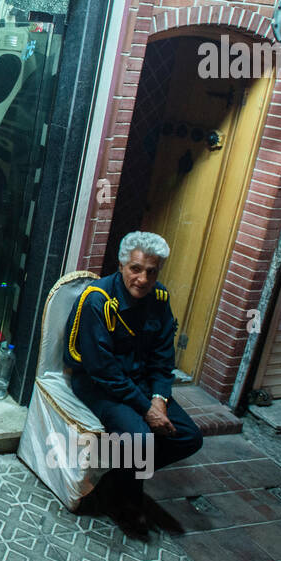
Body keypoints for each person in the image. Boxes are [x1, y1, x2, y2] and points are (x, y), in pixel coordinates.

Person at [63, 230, 204, 536]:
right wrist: (146, 408)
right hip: (99, 385)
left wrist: (159, 399)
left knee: (189, 437)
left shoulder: (159, 299)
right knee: (141, 438)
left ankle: (116, 478)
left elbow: (163, 360)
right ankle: (126, 500)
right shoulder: (97, 301)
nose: (142, 279)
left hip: (140, 385)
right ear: (122, 265)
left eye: (151, 272)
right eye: (135, 269)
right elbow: (103, 371)